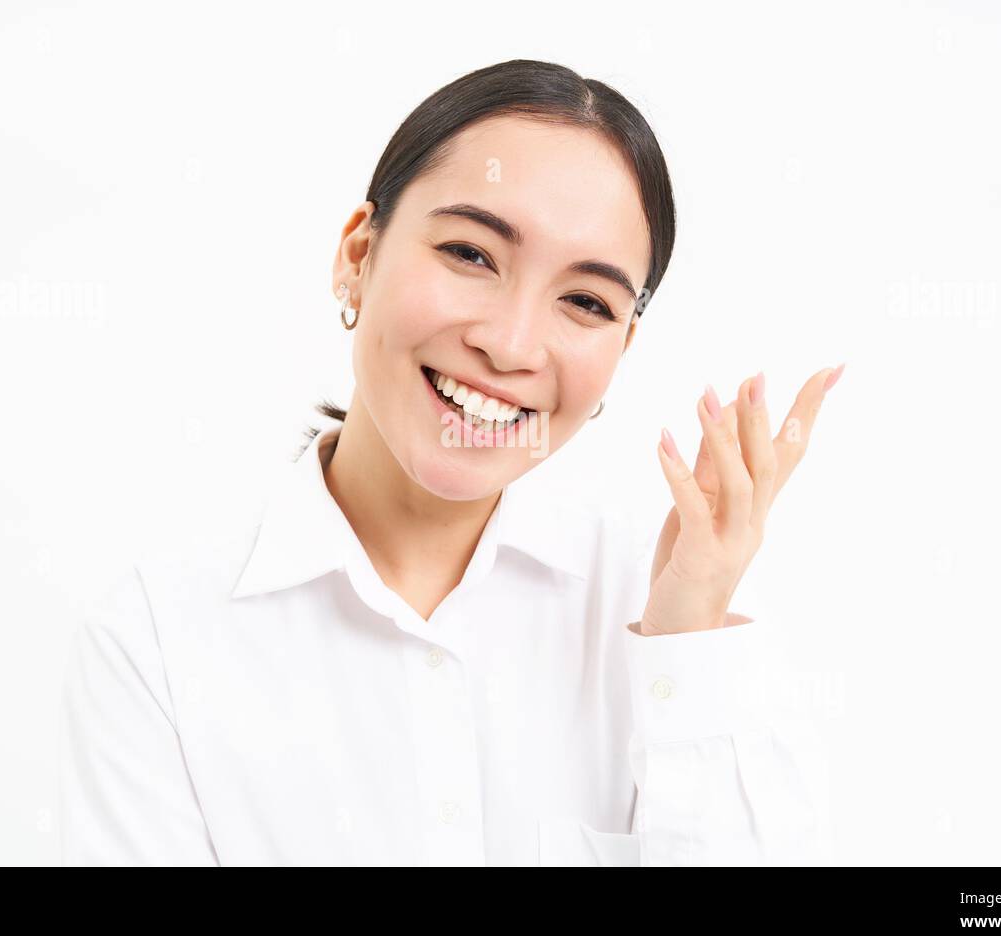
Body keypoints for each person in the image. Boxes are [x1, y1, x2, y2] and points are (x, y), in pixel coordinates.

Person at [60, 58, 845, 866]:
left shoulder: (669, 624)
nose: (509, 345)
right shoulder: (156, 642)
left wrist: (685, 643)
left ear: (623, 348)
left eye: (585, 302)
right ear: (358, 255)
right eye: (471, 254)